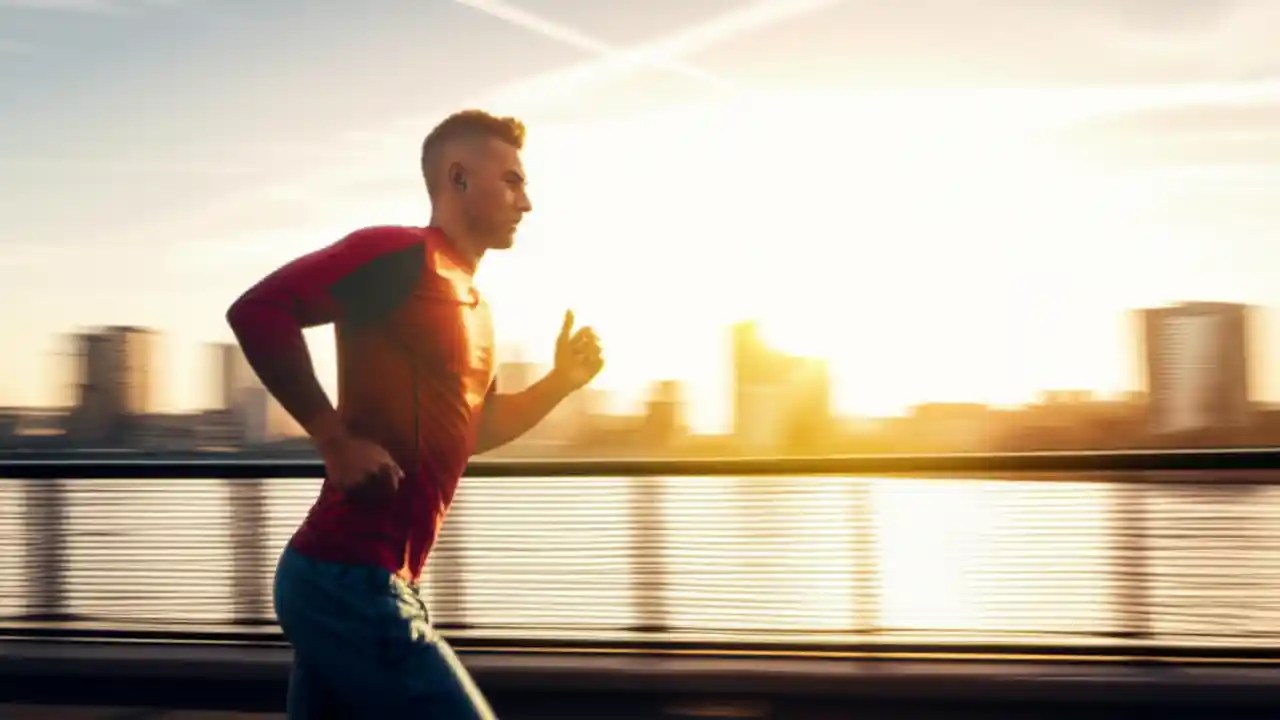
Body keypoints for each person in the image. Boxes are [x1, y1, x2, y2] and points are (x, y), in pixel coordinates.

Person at [225, 109, 604, 718]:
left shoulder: (477, 306)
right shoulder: (399, 255)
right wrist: (334, 438)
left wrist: (561, 383)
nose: (526, 201)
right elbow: (258, 310)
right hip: (347, 580)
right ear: (457, 179)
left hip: (370, 581)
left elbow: (471, 431)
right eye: (511, 180)